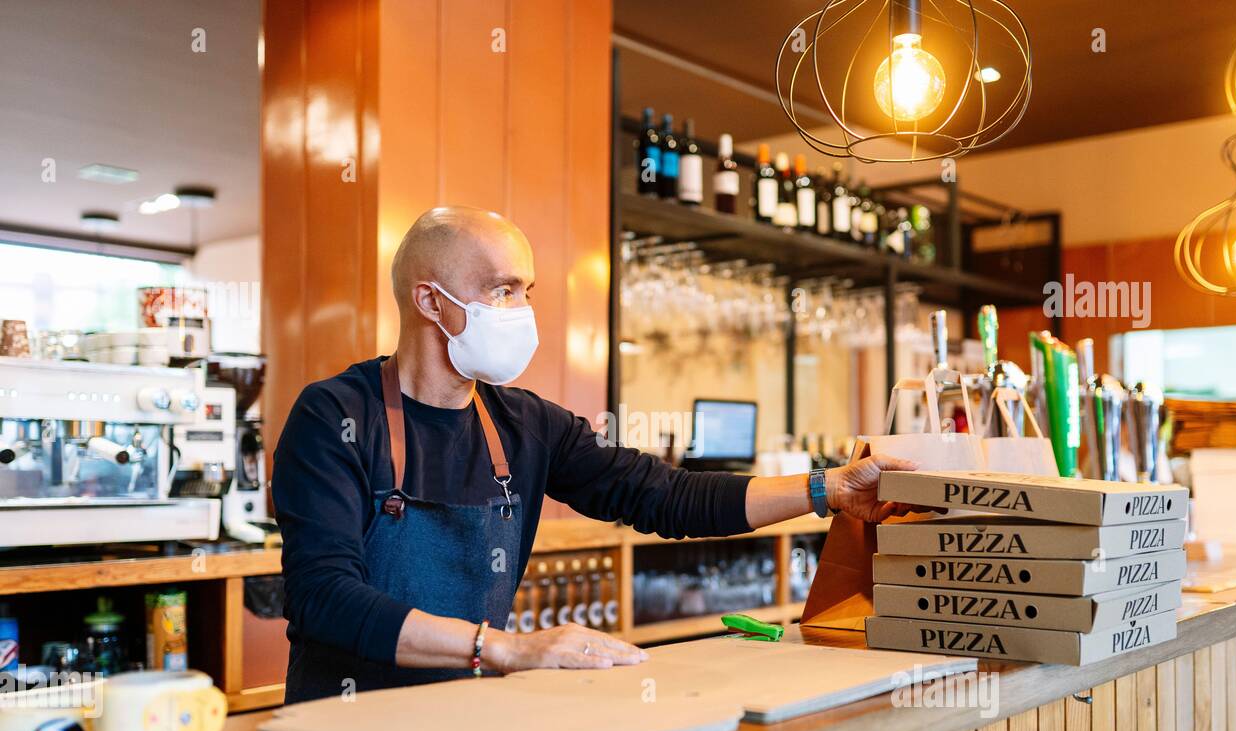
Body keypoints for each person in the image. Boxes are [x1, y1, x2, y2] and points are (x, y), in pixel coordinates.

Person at [272, 206, 919, 703]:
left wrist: (828, 489)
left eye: (525, 290)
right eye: (500, 290)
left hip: (463, 717)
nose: (521, 309)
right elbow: (324, 598)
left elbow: (666, 496)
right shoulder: (334, 416)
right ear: (428, 300)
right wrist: (506, 649)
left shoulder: (525, 424)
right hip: (342, 719)